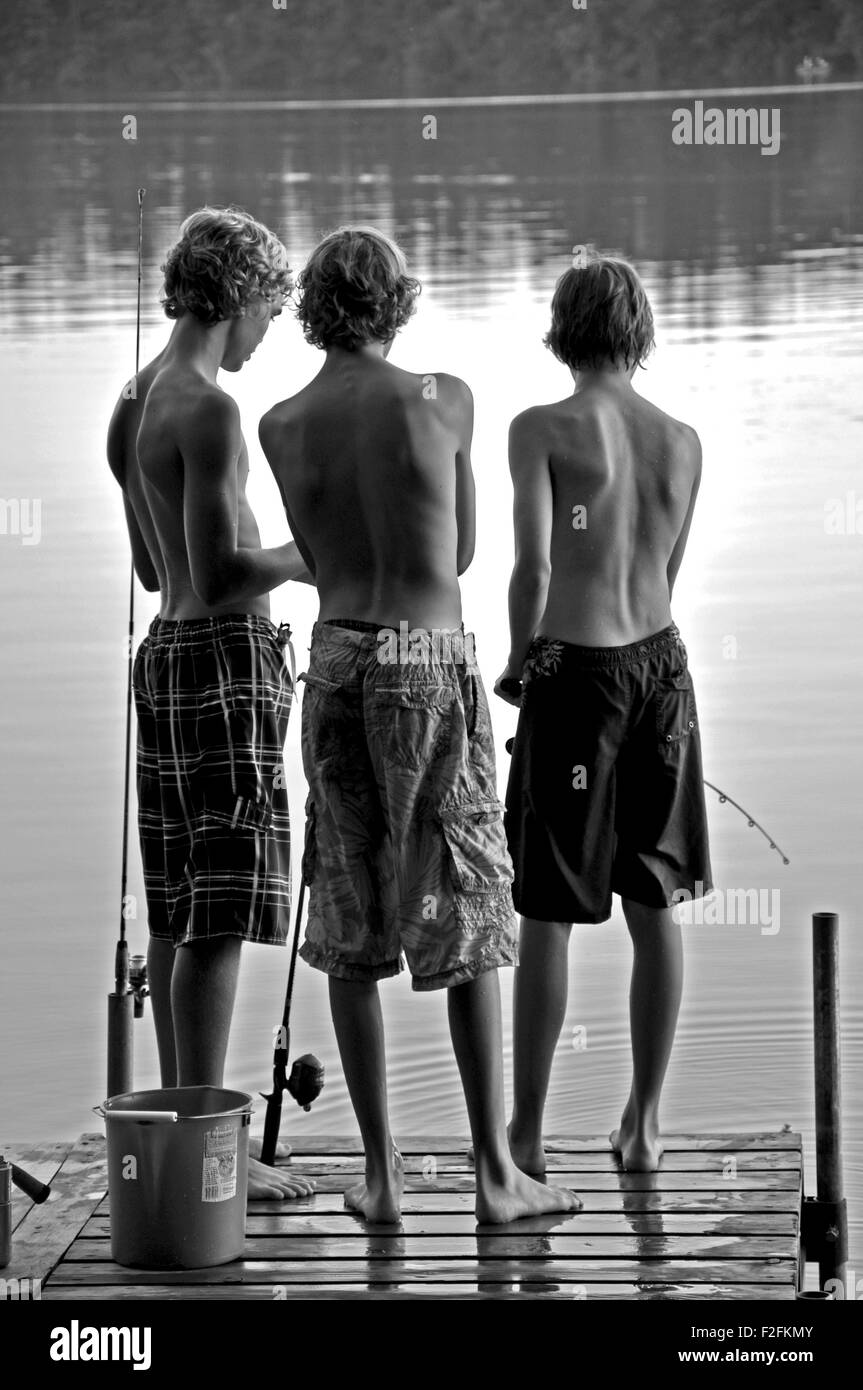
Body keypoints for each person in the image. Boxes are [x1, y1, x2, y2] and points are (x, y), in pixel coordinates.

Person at [259, 225, 581, 1223]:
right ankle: (492, 1177)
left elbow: (312, 549)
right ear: (397, 302)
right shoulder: (443, 396)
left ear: (313, 307)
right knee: (465, 904)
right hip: (428, 656)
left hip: (343, 659)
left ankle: (382, 1176)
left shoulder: (278, 422)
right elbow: (468, 549)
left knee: (351, 916)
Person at [107, 205, 315, 1201]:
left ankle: (189, 1130)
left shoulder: (133, 402)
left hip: (164, 660)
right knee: (220, 913)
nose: (269, 330)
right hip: (223, 665)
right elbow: (224, 574)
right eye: (270, 309)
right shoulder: (211, 408)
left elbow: (154, 569)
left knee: (178, 904)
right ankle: (213, 1154)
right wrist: (311, 553)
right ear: (235, 297)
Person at [496, 252, 713, 1174]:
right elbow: (664, 573)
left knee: (546, 907)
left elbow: (535, 570)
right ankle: (643, 1123)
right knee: (652, 898)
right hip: (660, 668)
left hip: (574, 673)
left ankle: (527, 1134)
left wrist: (519, 662)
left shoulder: (540, 428)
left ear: (562, 329)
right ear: (640, 332)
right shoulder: (681, 440)